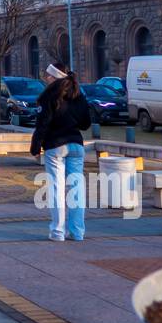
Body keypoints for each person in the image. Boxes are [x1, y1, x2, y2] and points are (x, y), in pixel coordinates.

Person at [30, 64, 92, 242]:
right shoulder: (78, 94)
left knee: (56, 188)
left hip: (55, 146)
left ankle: (58, 232)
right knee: (77, 189)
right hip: (76, 145)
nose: (46, 78)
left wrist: (35, 147)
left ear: (55, 77)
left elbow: (42, 124)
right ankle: (77, 232)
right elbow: (86, 124)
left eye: (48, 75)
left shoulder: (49, 96)